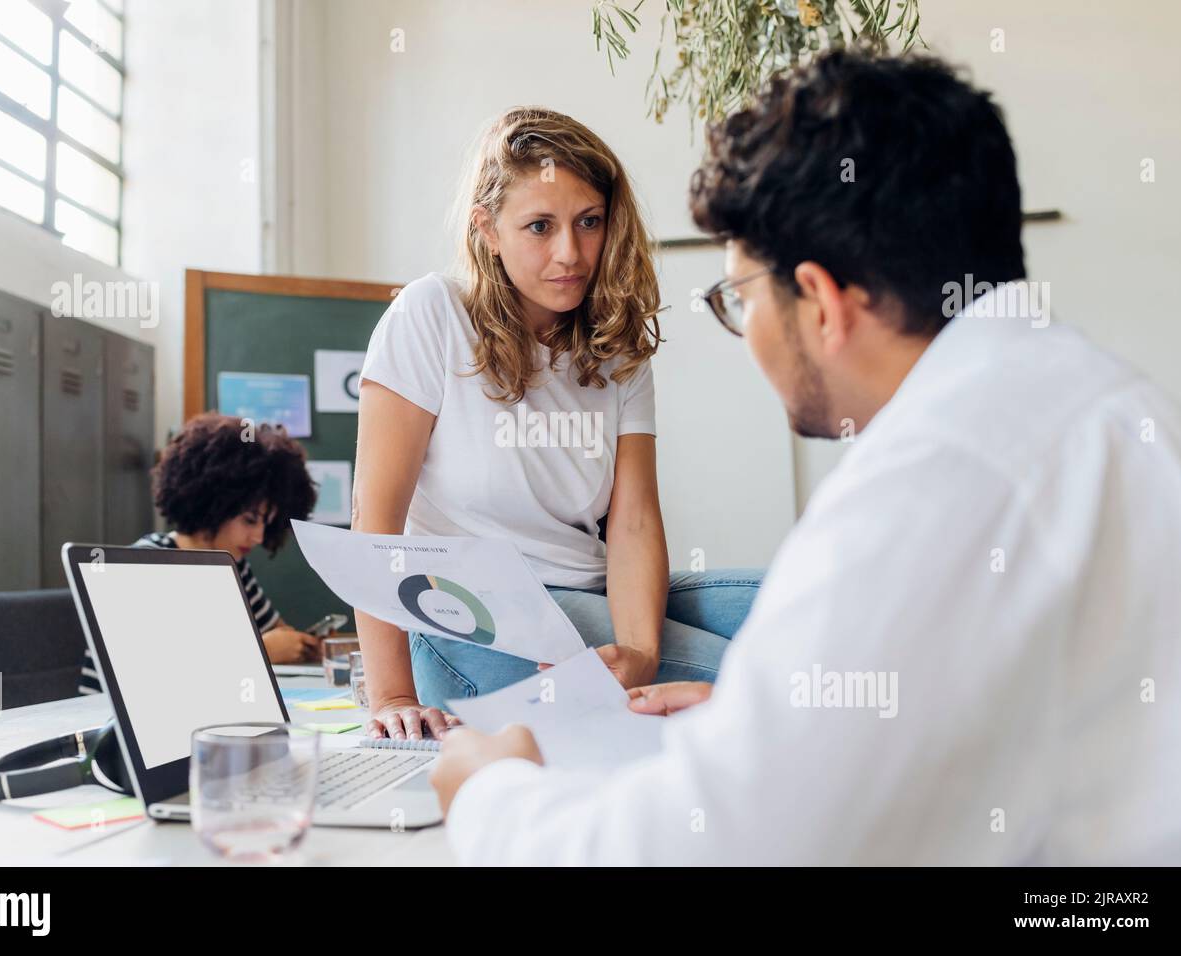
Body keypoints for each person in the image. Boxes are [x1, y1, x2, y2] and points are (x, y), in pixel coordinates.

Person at [427, 51, 1181, 865]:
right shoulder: (1126, 411)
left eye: (740, 301)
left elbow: (712, 848)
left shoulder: (926, 479)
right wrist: (784, 716)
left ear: (822, 302)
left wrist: (490, 794)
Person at [353, 106, 762, 740]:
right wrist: (390, 697)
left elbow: (633, 521)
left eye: (589, 222)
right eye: (540, 227)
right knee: (753, 678)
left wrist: (640, 652)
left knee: (798, 609)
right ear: (487, 229)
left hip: (588, 587)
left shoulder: (618, 348)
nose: (570, 253)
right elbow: (374, 522)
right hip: (470, 613)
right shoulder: (430, 314)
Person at [78, 413, 320, 695]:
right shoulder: (145, 564)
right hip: (113, 730)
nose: (259, 536)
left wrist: (301, 645)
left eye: (266, 524)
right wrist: (261, 651)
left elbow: (281, 635)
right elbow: (152, 680)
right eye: (250, 520)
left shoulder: (232, 566)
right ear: (214, 504)